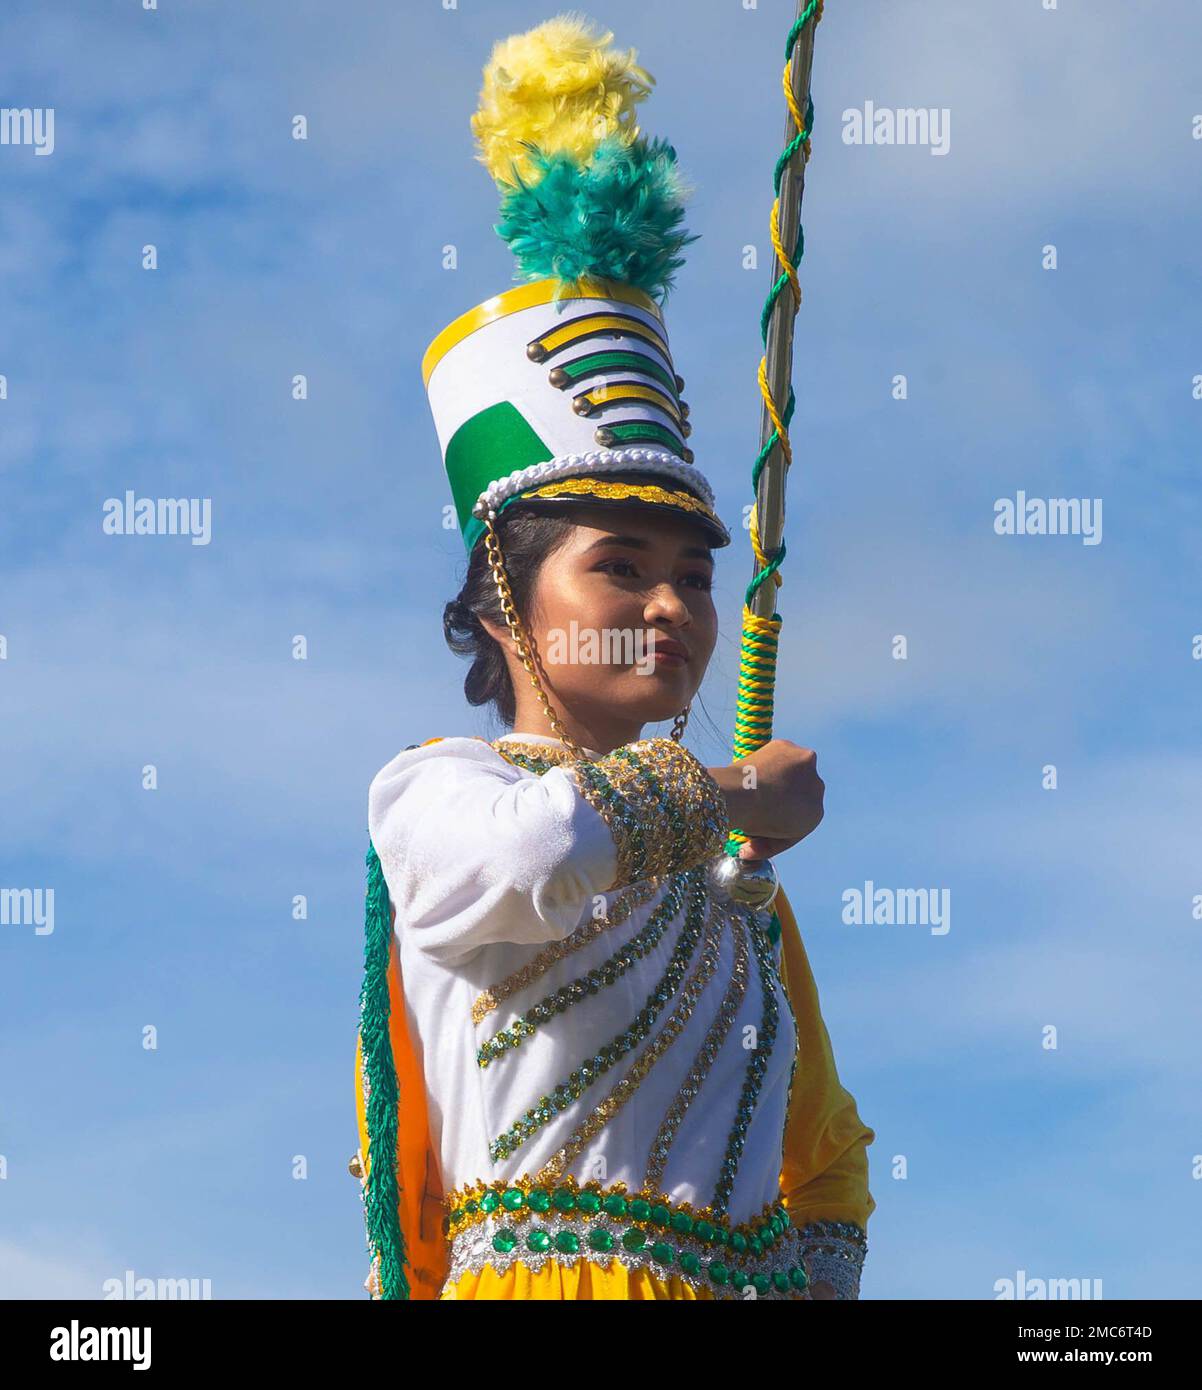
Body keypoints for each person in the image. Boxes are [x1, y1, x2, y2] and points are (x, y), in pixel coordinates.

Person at [351, 12, 875, 1302]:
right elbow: (535, 854)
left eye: (694, 576)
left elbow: (828, 1154)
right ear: (499, 607)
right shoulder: (435, 796)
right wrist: (726, 798)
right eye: (621, 569)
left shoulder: (739, 883)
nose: (673, 608)